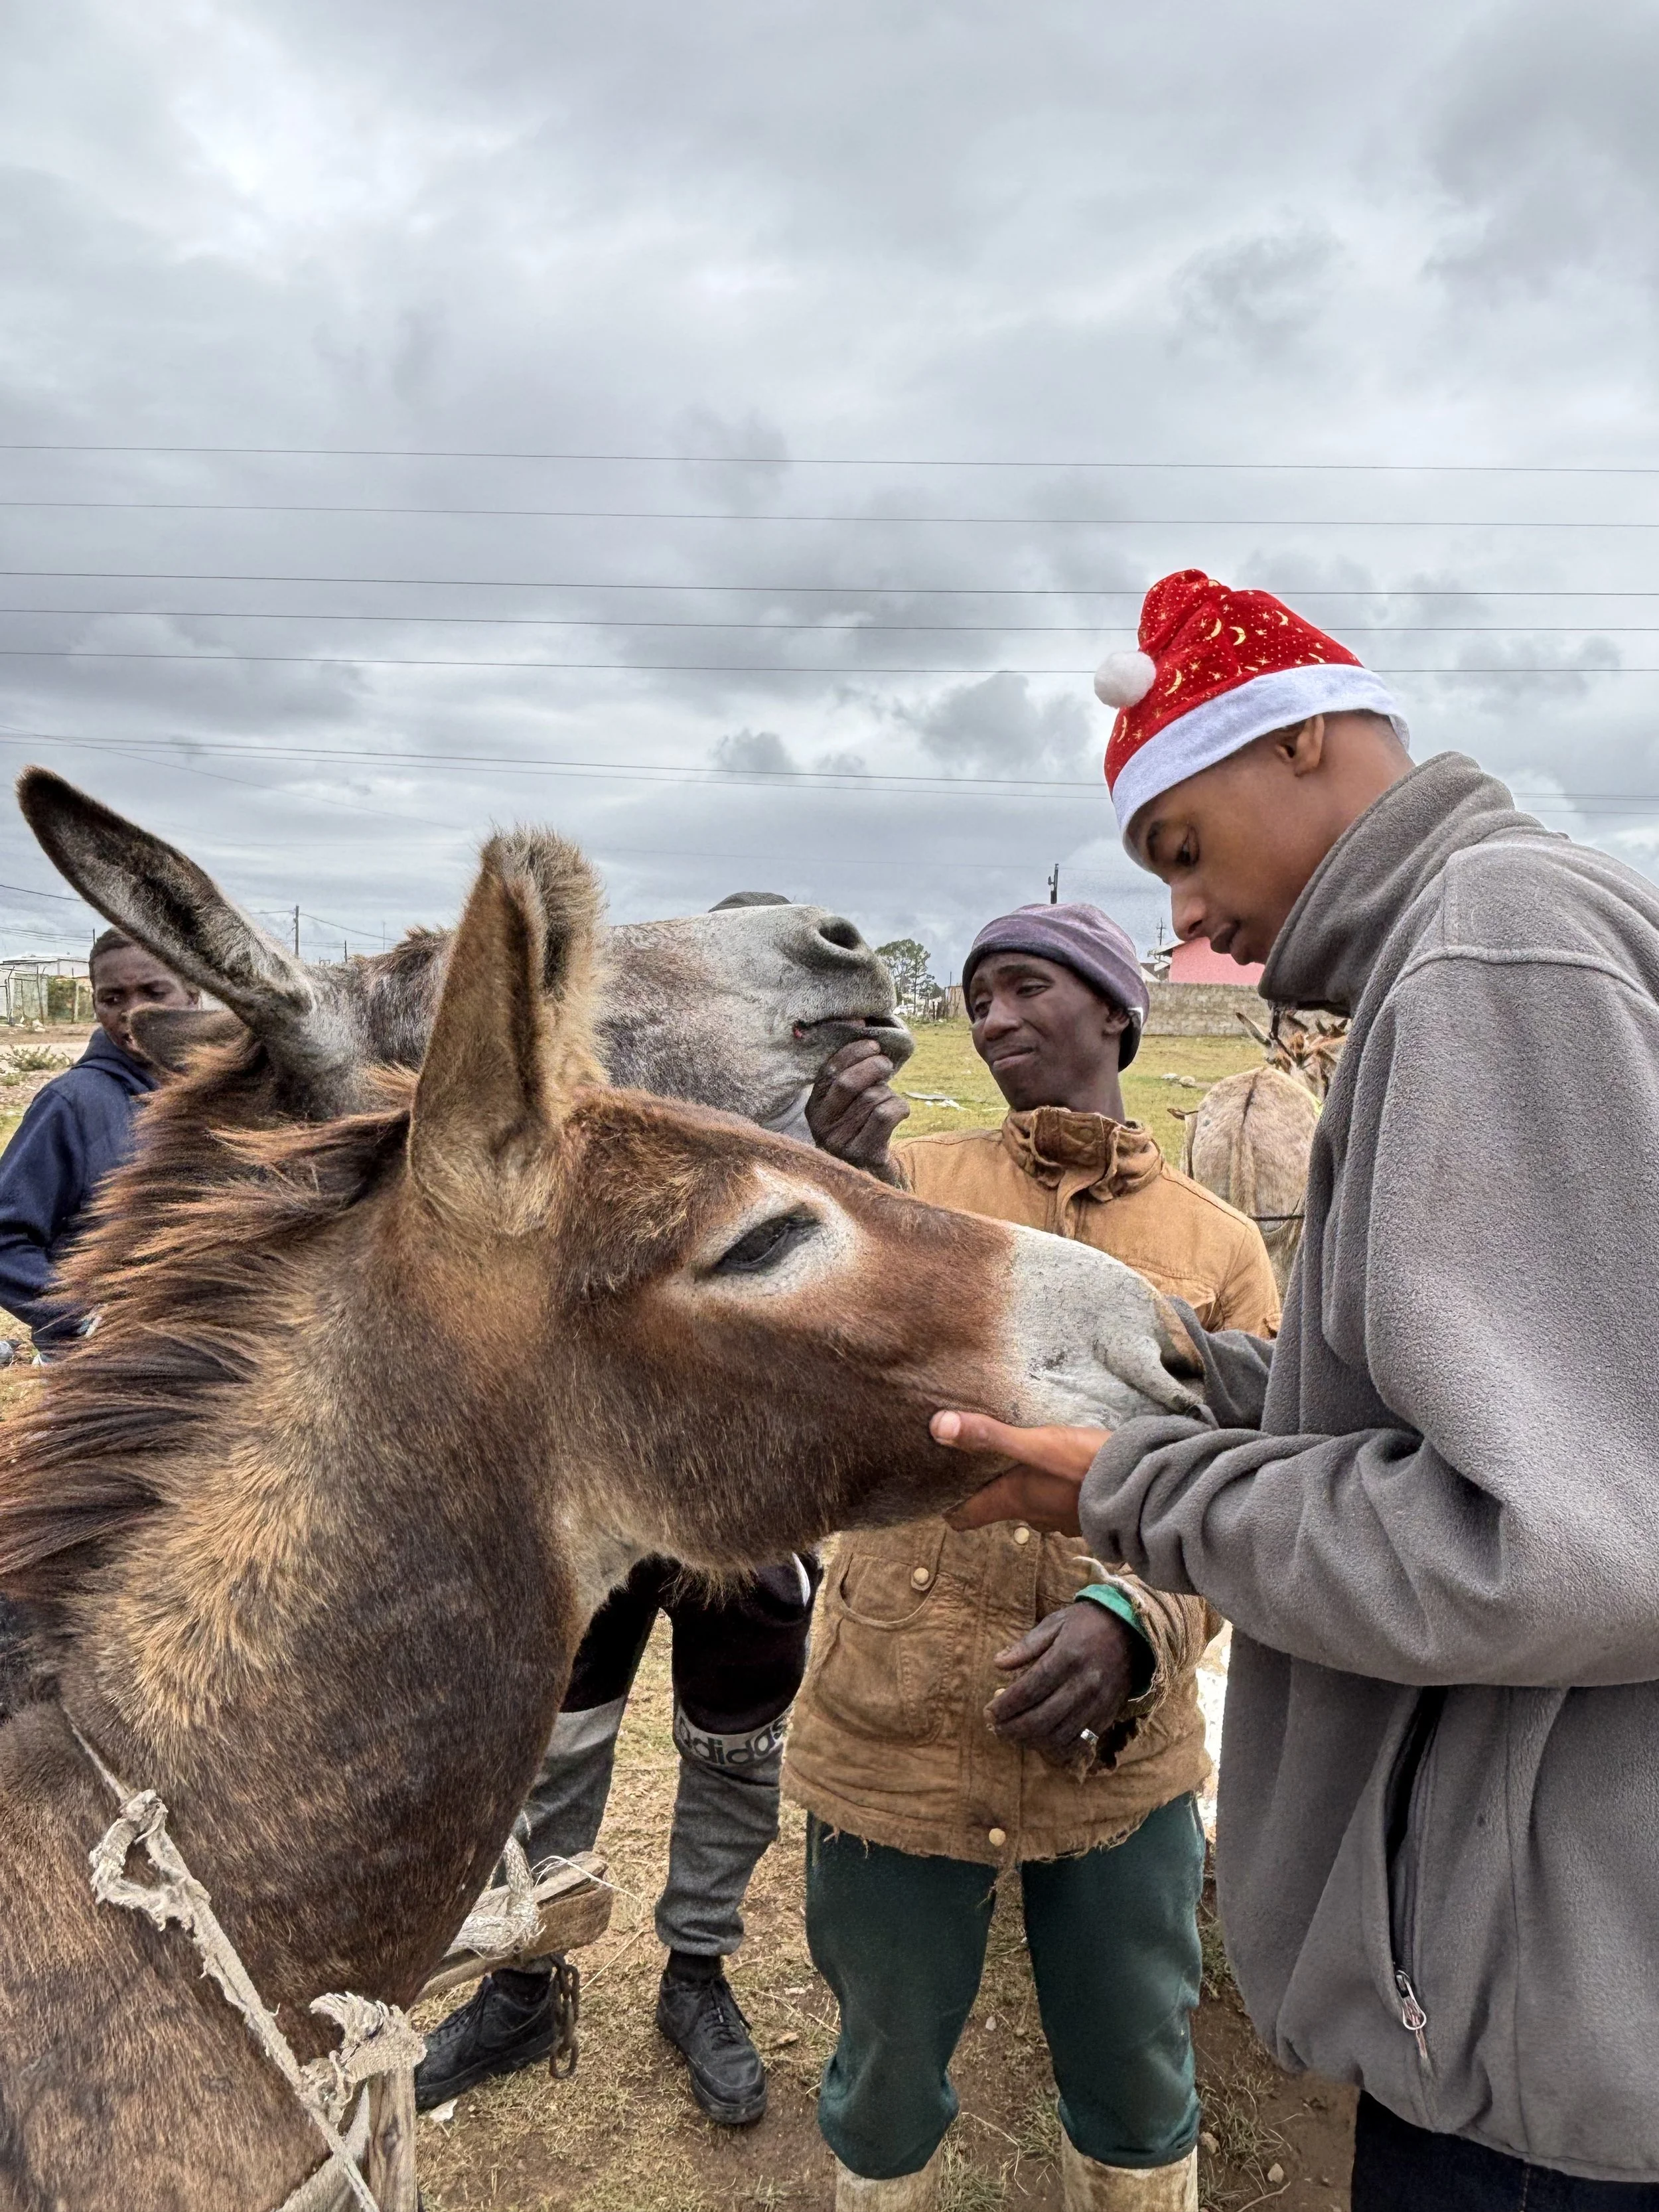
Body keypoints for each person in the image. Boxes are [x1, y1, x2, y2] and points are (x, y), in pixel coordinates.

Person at [934, 567, 1659, 2210]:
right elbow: (1490, 1405)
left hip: (1543, 2050)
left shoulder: (1492, 949)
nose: (1184, 922)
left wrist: (1125, 1488)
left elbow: (1561, 1535)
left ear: (1312, 737)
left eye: (1183, 850)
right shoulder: (1488, 935)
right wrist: (1178, 1368)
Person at [792, 900, 1279, 2212]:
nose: (992, 1016)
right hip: (889, 1719)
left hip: (1117, 1755)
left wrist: (1134, 1614)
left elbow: (1255, 1501)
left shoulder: (1217, 1249)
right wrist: (829, 1184)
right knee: (882, 2071)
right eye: (974, 996)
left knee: (1133, 2070)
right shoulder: (912, 1193)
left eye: (1023, 988)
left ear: (1115, 1009)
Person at [415, 890, 814, 2131]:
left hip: (747, 1509)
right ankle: (527, 1977)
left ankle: (697, 1971)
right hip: (592, 1500)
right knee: (557, 1744)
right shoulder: (595, 1117)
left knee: (735, 1746)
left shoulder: (825, 1136)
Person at [0, 926, 197, 1353]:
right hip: (101, 1370)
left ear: (193, 995)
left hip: (196, 1359)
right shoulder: (72, 1104)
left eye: (154, 992)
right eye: (112, 999)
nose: (134, 1013)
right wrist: (80, 1318)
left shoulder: (215, 1098)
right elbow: (5, 1239)